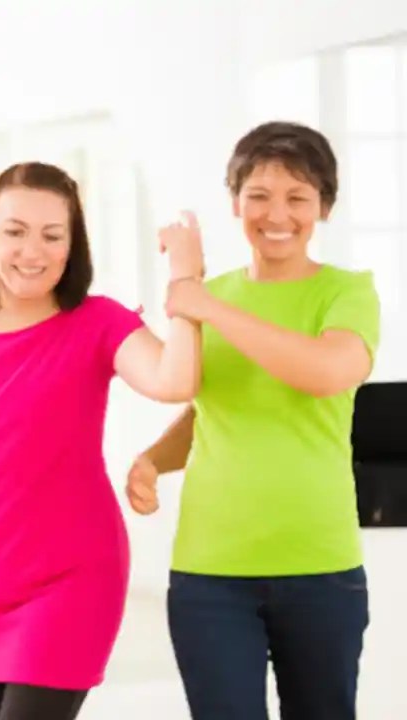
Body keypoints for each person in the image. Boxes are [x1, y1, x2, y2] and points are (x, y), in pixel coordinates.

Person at [0, 161, 203, 720]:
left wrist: (186, 281)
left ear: (72, 246)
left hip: (69, 580)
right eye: (15, 231)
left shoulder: (98, 322)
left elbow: (174, 380)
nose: (33, 251)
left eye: (53, 236)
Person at [127, 121, 379, 720]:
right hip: (210, 572)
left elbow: (325, 371)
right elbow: (211, 408)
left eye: (298, 197)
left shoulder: (347, 293)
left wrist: (205, 304)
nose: (277, 214)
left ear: (324, 206)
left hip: (320, 566)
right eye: (259, 195)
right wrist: (154, 460)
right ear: (235, 201)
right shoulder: (208, 297)